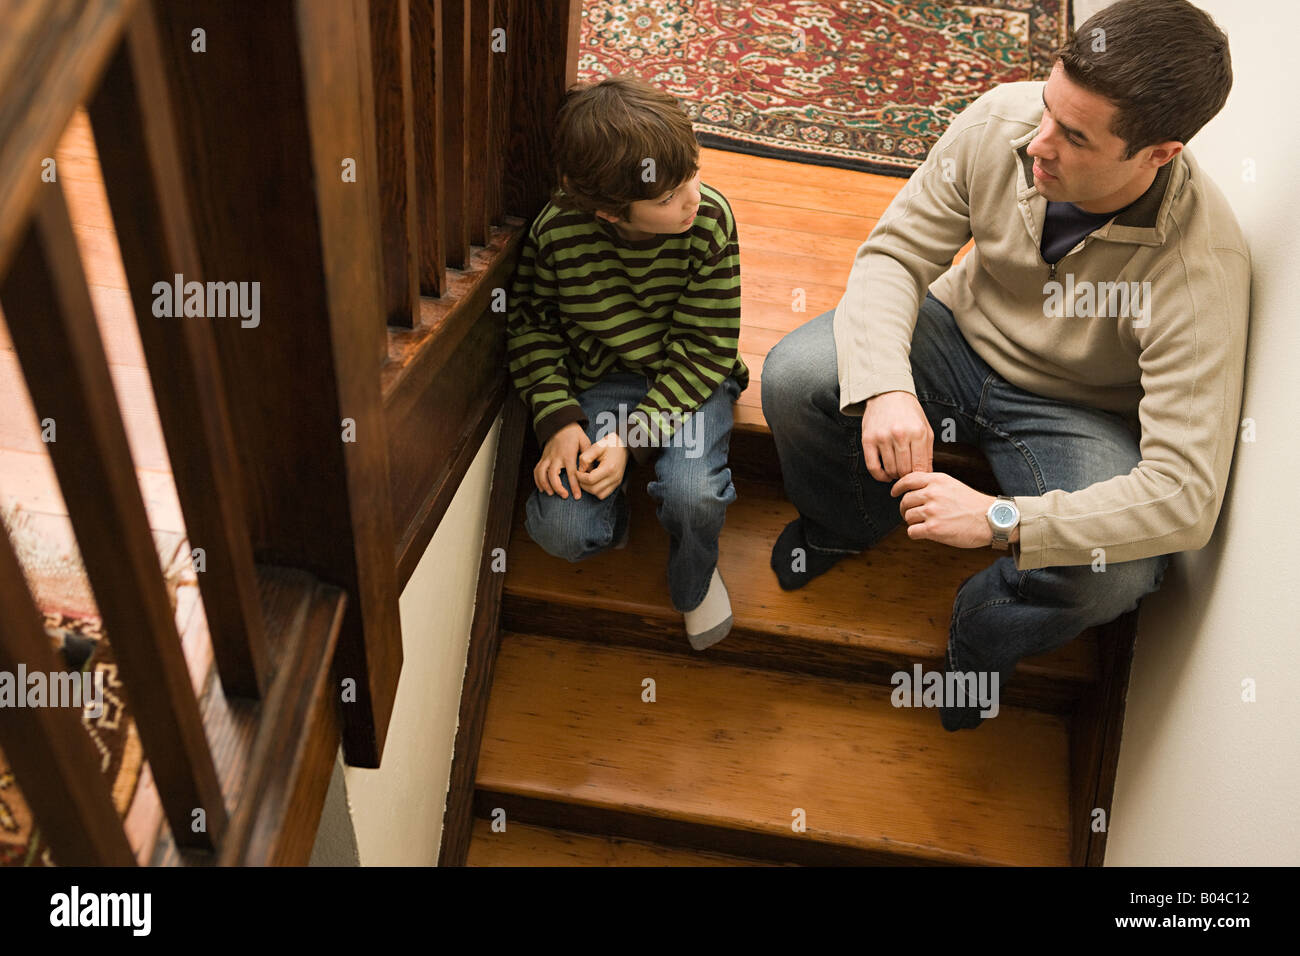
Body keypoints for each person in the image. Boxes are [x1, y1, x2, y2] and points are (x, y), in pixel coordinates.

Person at [761, 0, 1248, 729]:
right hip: (956, 331)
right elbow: (895, 256)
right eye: (1048, 108)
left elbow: (1184, 494)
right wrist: (888, 386)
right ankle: (845, 523)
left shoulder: (1201, 271)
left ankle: (975, 647)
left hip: (1076, 412)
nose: (1036, 144)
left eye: (1074, 136)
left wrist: (1001, 519)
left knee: (1109, 580)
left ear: (1158, 154)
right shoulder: (1006, 120)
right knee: (797, 377)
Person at [506, 75, 748, 650]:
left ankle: (692, 576)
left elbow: (706, 347)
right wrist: (560, 422)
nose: (693, 196)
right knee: (560, 530)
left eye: (693, 172)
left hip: (691, 380)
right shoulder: (556, 234)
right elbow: (531, 327)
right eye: (666, 197)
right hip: (601, 382)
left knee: (695, 494)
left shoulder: (708, 219)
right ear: (612, 213)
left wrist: (631, 436)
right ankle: (619, 510)